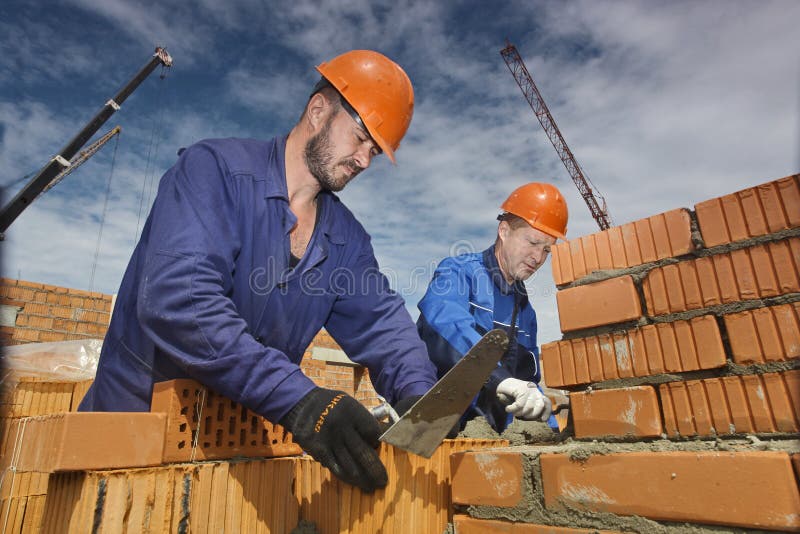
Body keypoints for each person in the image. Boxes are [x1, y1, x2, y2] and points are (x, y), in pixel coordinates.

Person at [79, 50, 438, 493]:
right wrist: (300, 401)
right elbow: (179, 302)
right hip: (127, 442)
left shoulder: (346, 240)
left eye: (375, 152)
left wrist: (420, 397)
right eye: (361, 137)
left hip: (228, 461)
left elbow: (384, 326)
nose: (364, 160)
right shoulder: (214, 172)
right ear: (318, 109)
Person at [416, 182, 568, 434]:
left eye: (546, 250)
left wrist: (547, 427)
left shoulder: (525, 310)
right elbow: (445, 324)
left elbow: (527, 381)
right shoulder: (458, 272)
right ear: (504, 231)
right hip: (437, 427)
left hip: (488, 440)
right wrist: (499, 378)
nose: (538, 258)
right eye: (532, 242)